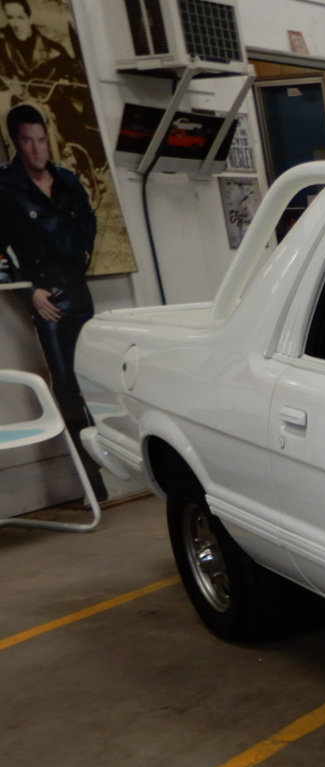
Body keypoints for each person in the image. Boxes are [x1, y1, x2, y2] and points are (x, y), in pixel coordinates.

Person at [0, 100, 102, 498]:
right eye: (28, 141)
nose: (37, 148)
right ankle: (90, 482)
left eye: (42, 139)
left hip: (78, 288)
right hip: (47, 297)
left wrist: (84, 254)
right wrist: (30, 288)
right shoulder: (6, 190)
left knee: (92, 377)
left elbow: (88, 221)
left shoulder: (66, 180)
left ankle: (108, 464)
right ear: (16, 144)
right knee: (65, 383)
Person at [0, 0, 70, 81]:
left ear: (29, 18)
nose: (16, 25)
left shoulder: (55, 52)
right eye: (10, 18)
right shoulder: (3, 46)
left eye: (20, 18)